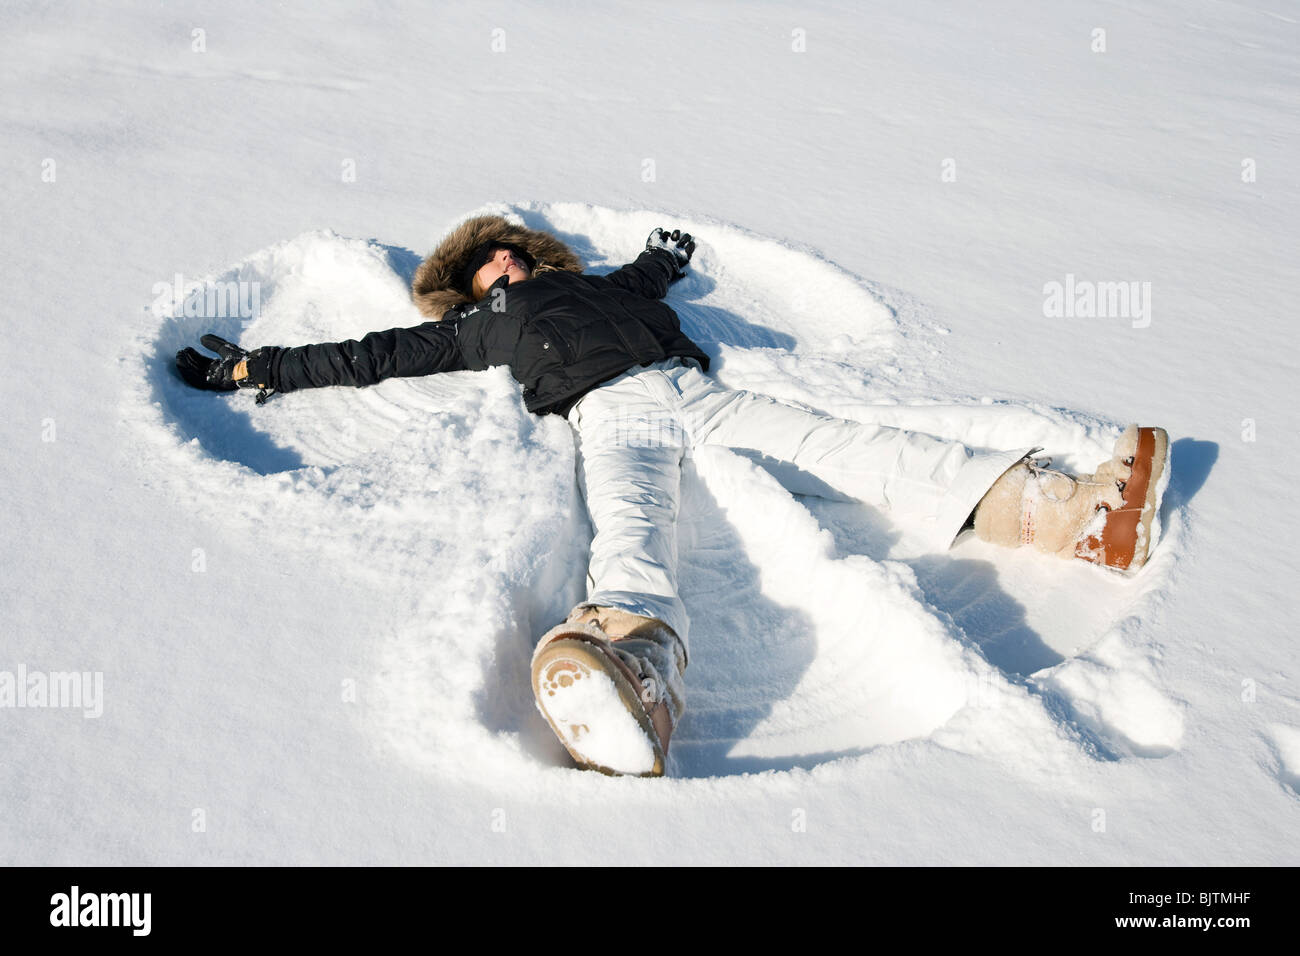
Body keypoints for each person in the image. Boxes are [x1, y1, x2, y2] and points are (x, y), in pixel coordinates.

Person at [176, 215, 1170, 778]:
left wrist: (662, 255)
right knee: (634, 514)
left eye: (513, 252)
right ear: (473, 287)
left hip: (693, 389)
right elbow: (379, 352)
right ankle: (635, 659)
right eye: (489, 266)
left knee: (849, 443)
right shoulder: (486, 324)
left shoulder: (610, 290)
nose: (507, 265)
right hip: (610, 412)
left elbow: (645, 276)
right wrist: (259, 365)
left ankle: (1070, 516)